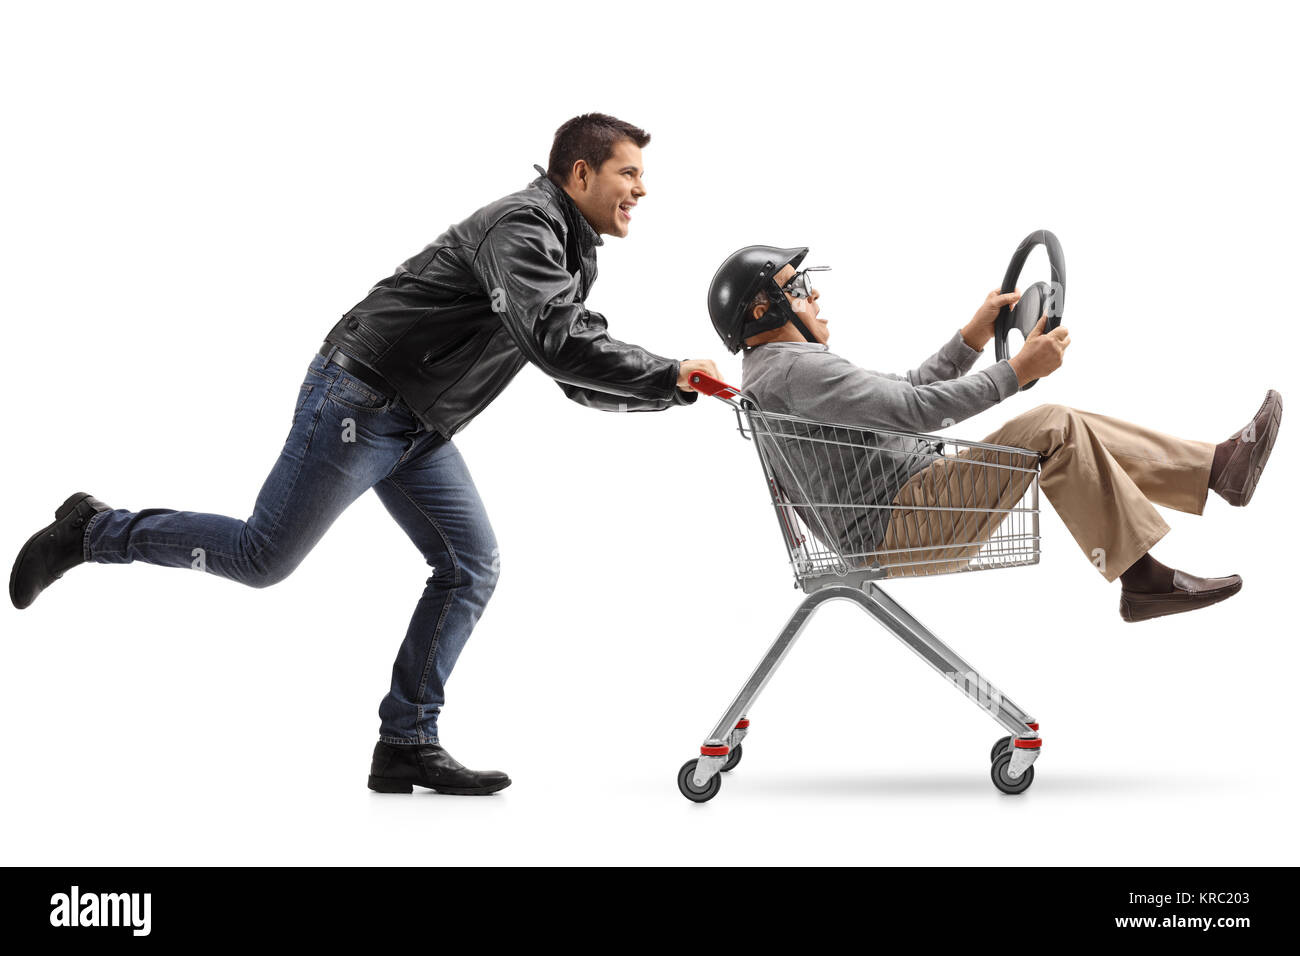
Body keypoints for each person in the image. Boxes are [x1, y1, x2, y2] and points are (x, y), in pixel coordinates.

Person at [10, 113, 720, 794]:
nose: (642, 189)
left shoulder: (567, 251)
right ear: (580, 171)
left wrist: (672, 387)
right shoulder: (523, 226)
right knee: (263, 558)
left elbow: (567, 370)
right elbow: (558, 342)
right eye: (630, 172)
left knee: (469, 565)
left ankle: (406, 741)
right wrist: (665, 371)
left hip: (416, 424)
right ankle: (93, 530)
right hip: (362, 397)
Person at [705, 245, 1282, 622]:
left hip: (909, 503)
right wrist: (1017, 372)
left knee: (1060, 433)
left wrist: (972, 338)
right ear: (764, 307)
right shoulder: (794, 369)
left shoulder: (784, 369)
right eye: (799, 284)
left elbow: (904, 389)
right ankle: (1171, 536)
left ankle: (1202, 493)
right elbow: (915, 409)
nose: (815, 293)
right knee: (1051, 424)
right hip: (900, 522)